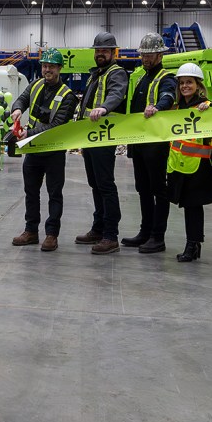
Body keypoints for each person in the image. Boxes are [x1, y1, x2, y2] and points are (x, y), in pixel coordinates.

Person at [9, 48, 79, 252]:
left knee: (54, 193)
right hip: (33, 151)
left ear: (59, 68)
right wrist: (17, 109)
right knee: (31, 192)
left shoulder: (68, 96)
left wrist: (28, 133)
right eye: (45, 66)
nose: (47, 70)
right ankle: (31, 231)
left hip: (54, 153)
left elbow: (56, 125)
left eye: (51, 67)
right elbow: (22, 99)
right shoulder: (36, 85)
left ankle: (51, 234)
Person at [74, 31, 130, 255]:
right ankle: (98, 229)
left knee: (105, 185)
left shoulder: (117, 73)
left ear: (113, 52)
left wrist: (104, 108)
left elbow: (116, 94)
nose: (100, 54)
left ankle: (110, 235)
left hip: (104, 137)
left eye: (105, 51)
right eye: (98, 51)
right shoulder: (95, 74)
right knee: (95, 184)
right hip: (89, 137)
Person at [123, 32, 177, 253]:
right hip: (139, 143)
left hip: (155, 145)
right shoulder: (142, 77)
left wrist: (157, 107)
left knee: (158, 190)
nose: (145, 58)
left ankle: (157, 237)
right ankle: (145, 232)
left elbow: (168, 96)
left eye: (149, 55)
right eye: (143, 55)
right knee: (143, 189)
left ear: (160, 55)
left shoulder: (166, 77)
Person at [166, 64, 212, 262]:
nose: (185, 86)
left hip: (197, 165)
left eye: (189, 82)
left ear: (198, 85)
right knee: (188, 206)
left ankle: (193, 245)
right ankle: (193, 245)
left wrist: (209, 108)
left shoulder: (205, 106)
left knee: (193, 206)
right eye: (181, 83)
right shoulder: (177, 108)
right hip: (179, 163)